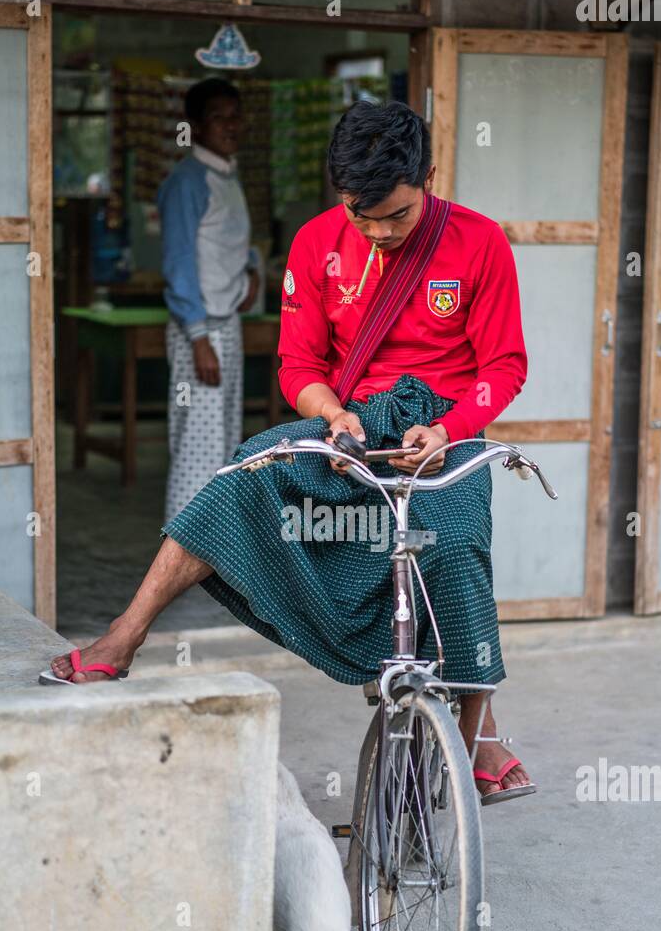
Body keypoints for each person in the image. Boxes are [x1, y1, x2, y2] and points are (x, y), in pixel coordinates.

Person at [49, 100, 535, 802]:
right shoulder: (316, 243)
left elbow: (505, 366)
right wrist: (333, 416)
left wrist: (447, 430)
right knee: (236, 482)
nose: (376, 233)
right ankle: (120, 638)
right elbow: (297, 367)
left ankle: (471, 736)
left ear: (427, 177)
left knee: (455, 543)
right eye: (359, 215)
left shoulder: (479, 241)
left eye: (395, 216)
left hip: (443, 428)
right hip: (349, 424)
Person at [157, 76, 259, 522]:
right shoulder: (187, 182)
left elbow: (226, 246)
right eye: (218, 118)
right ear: (195, 126)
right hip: (199, 330)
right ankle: (183, 544)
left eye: (235, 115)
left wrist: (252, 273)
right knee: (196, 444)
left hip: (226, 325)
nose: (230, 125)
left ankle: (213, 543)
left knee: (223, 439)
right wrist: (198, 337)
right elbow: (179, 262)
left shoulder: (226, 175)